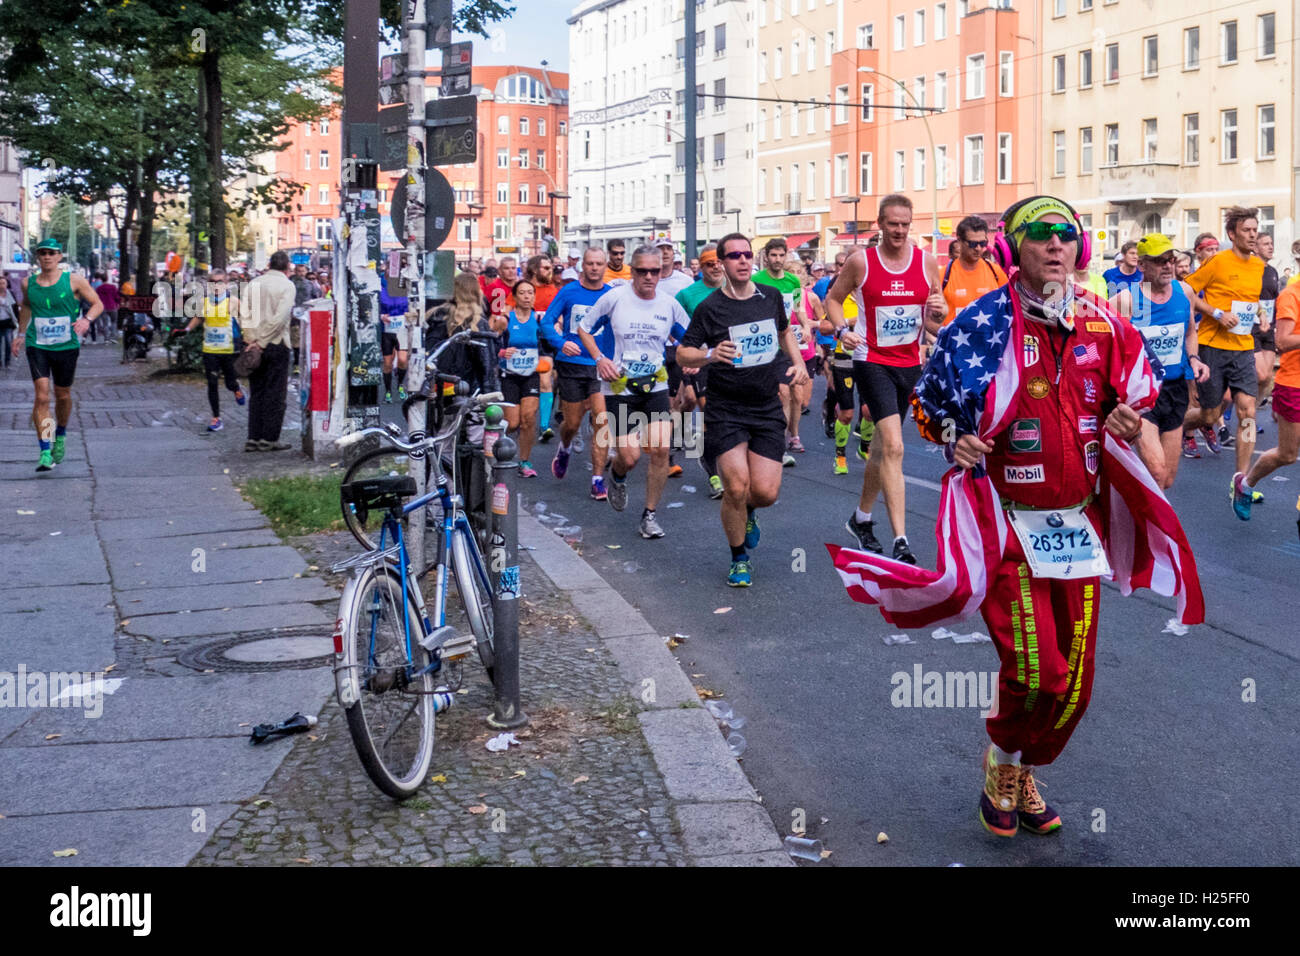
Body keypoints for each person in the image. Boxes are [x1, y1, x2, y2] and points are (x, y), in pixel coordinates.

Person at [829, 194, 1203, 838]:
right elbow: (931, 404)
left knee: (1075, 686)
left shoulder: (1104, 326)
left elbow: (1138, 392)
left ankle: (1025, 767)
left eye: (1067, 236)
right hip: (1005, 525)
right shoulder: (981, 325)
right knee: (1037, 670)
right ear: (1015, 249)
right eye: (1042, 235)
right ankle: (1002, 765)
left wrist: (1130, 420)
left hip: (1075, 530)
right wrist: (956, 437)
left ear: (1079, 250)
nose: (1057, 246)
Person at [676, 233, 810, 587]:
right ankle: (739, 559)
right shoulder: (710, 307)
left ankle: (749, 511)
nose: (743, 260)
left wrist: (799, 364)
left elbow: (784, 333)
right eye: (735, 256)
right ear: (721, 263)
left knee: (765, 493)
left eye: (748, 254)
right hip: (726, 407)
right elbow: (682, 352)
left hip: (766, 405)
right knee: (735, 486)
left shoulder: (770, 297)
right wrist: (708, 354)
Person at [826, 194, 947, 564]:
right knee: (894, 446)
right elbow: (833, 298)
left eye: (905, 224)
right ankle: (901, 541)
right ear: (879, 224)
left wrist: (938, 316)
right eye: (892, 223)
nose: (898, 230)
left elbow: (931, 322)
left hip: (908, 362)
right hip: (871, 359)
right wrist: (842, 329)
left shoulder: (927, 264)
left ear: (911, 225)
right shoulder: (862, 262)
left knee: (880, 449)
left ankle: (861, 519)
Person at [577, 245, 691, 539]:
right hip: (620, 387)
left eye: (655, 271)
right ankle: (617, 475)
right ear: (632, 269)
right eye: (642, 271)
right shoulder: (615, 298)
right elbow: (584, 329)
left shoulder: (669, 304)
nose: (649, 277)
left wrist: (694, 360)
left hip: (656, 385)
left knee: (661, 449)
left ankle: (649, 515)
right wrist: (600, 359)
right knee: (629, 457)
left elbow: (689, 339)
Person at [1112, 234, 1209, 489]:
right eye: (1159, 261)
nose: (1167, 265)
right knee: (1155, 472)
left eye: (1170, 259)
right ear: (1142, 266)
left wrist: (1195, 358)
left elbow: (1189, 333)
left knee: (1165, 480)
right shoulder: (1126, 300)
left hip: (1175, 390)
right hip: (1143, 396)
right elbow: (1100, 338)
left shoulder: (1184, 291)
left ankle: (1142, 520)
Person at [1181, 207, 1265, 497]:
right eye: (1247, 230)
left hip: (1243, 347)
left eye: (1256, 229)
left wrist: (1260, 315)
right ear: (1232, 234)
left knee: (1249, 413)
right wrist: (1216, 312)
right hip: (1212, 347)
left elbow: (1250, 300)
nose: (1253, 234)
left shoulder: (1258, 265)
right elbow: (1187, 290)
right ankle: (1176, 426)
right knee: (1209, 415)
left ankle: (1240, 480)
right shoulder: (1218, 262)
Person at [13, 239, 103, 470]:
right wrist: (21, 334)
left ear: (59, 257)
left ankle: (60, 436)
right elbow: (27, 307)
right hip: (38, 345)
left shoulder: (73, 280)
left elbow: (97, 304)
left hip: (66, 346)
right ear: (38, 257)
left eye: (51, 253)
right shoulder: (27, 283)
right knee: (42, 396)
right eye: (42, 253)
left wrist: (86, 320)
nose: (47, 257)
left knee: (62, 395)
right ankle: (45, 448)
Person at [542, 247, 614, 499]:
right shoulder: (569, 292)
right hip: (571, 364)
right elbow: (546, 322)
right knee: (571, 423)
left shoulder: (611, 295)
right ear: (582, 265)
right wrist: (561, 343)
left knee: (602, 420)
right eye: (590, 263)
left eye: (599, 263)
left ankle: (597, 479)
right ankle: (565, 446)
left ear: (606, 266)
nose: (594, 268)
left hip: (599, 365)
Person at [1237, 276, 1300, 511]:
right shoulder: (1291, 295)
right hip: (1294, 384)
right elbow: (1282, 341)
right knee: (1287, 455)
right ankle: (1245, 484)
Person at [674, 244, 725, 498]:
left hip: (729, 360)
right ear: (700, 267)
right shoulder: (687, 294)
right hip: (699, 359)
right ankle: (714, 476)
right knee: (703, 407)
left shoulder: (735, 288)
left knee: (720, 414)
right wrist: (686, 355)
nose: (715, 267)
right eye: (708, 263)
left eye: (718, 262)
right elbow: (677, 329)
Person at [241, 250, 296, 452]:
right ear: (287, 266)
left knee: (256, 392)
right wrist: (263, 341)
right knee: (275, 392)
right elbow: (280, 319)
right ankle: (269, 438)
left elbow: (244, 314)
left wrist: (251, 339)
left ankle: (253, 437)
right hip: (276, 344)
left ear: (270, 264)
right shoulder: (287, 286)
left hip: (252, 344)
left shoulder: (253, 284)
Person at [491, 278, 543, 477]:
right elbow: (491, 344)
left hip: (531, 375)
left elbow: (547, 343)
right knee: (512, 423)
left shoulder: (538, 320)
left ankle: (524, 462)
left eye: (530, 292)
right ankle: (493, 447)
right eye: (522, 293)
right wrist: (502, 352)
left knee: (528, 419)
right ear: (514, 296)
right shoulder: (505, 319)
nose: (527, 296)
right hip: (509, 376)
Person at [183, 267, 246, 432]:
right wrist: (187, 329)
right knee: (212, 383)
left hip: (229, 349)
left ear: (226, 284)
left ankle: (236, 389)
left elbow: (246, 319)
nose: (216, 286)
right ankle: (216, 418)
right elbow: (199, 317)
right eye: (212, 282)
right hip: (210, 349)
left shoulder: (233, 301)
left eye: (220, 282)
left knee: (229, 382)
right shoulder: (204, 302)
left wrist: (248, 338)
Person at [521, 254, 560, 440]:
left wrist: (558, 324)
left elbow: (560, 315)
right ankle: (524, 419)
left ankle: (544, 426)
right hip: (523, 342)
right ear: (534, 269)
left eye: (550, 267)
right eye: (545, 268)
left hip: (545, 341)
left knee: (546, 381)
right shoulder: (523, 289)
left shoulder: (554, 290)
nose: (549, 270)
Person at [941, 216, 1008, 319]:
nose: (978, 248)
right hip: (955, 334)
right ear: (959, 240)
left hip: (988, 334)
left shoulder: (996, 272)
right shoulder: (943, 274)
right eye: (972, 244)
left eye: (982, 243)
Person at [1255, 233, 1280, 406]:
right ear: (1255, 248)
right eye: (1265, 244)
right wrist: (1260, 313)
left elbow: (1274, 298)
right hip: (1252, 328)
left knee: (1267, 378)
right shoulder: (1250, 269)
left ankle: (1251, 412)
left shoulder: (1272, 271)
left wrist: (1277, 325)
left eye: (1271, 243)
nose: (1270, 247)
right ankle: (1245, 409)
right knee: (1261, 375)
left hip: (1269, 328)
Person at [378, 284, 410, 403]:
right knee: (387, 363)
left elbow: (413, 308)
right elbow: (374, 309)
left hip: (401, 330)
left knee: (402, 359)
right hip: (387, 331)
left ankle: (400, 384)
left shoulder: (406, 290)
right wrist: (381, 316)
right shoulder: (382, 290)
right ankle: (388, 391)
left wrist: (410, 316)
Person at [94, 272, 120, 341]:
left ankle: (106, 338)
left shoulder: (99, 289)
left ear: (101, 279)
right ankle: (113, 337)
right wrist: (118, 303)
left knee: (105, 323)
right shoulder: (113, 287)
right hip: (112, 306)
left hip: (103, 307)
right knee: (113, 322)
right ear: (107, 279)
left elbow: (97, 298)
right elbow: (116, 297)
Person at [0, 276, 17, 370]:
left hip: (8, 323)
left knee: (8, 342)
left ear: (7, 284)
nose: (2, 285)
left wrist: (17, 320)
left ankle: (7, 362)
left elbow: (15, 308)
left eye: (4, 283)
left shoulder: (10, 294)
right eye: (0, 283)